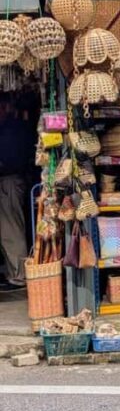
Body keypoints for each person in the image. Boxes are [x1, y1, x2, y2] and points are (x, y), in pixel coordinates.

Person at [0, 93, 33, 290]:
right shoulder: (10, 129)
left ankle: (19, 274)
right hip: (10, 181)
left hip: (10, 181)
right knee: (9, 228)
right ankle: (14, 272)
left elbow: (12, 160)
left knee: (12, 229)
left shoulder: (11, 131)